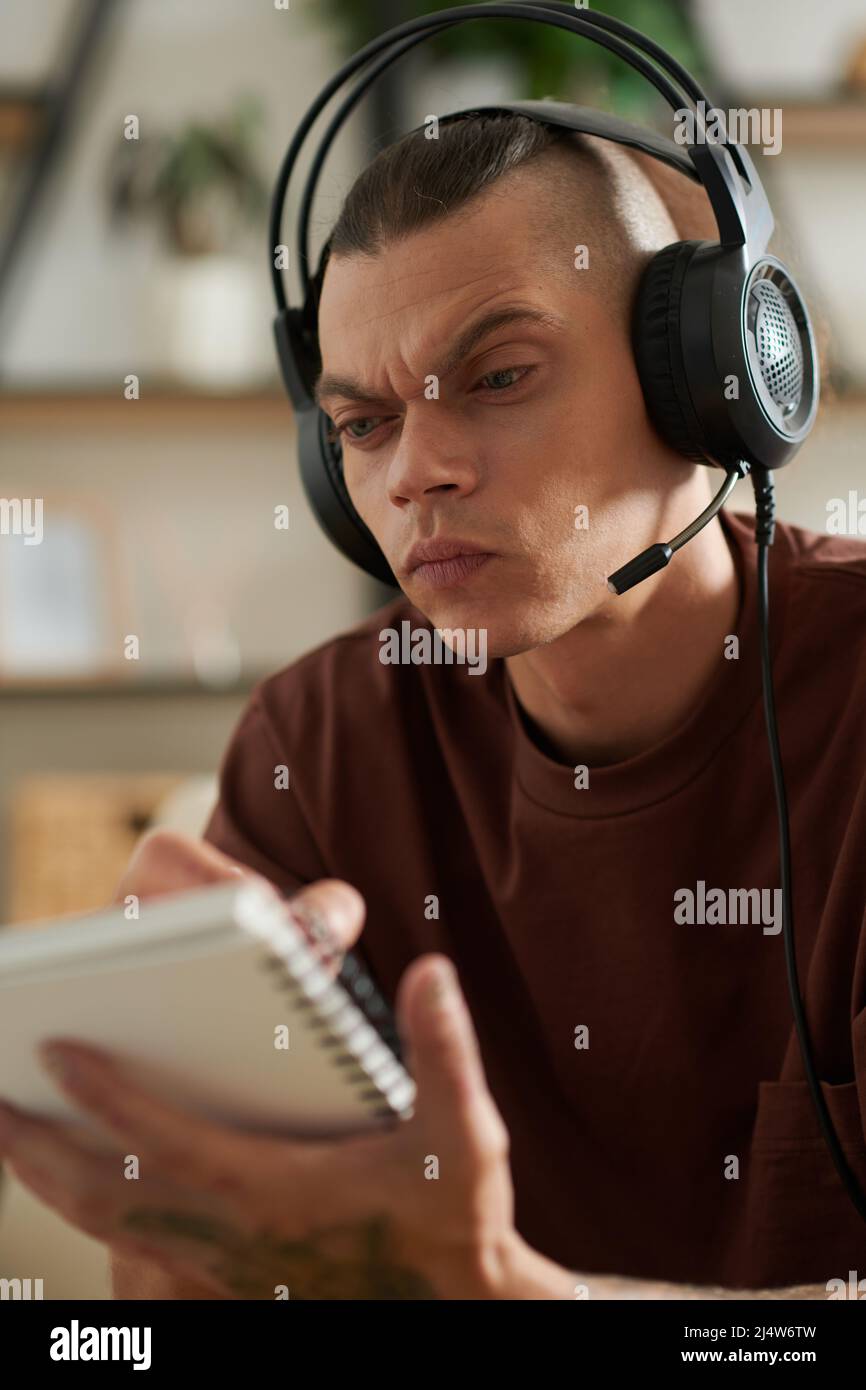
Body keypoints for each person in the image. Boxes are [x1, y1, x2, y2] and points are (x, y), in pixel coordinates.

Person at [2, 114, 865, 1301]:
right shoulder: (316, 742)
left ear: (706, 386)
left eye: (498, 375)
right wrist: (188, 1136)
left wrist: (495, 1292)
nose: (412, 471)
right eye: (361, 425)